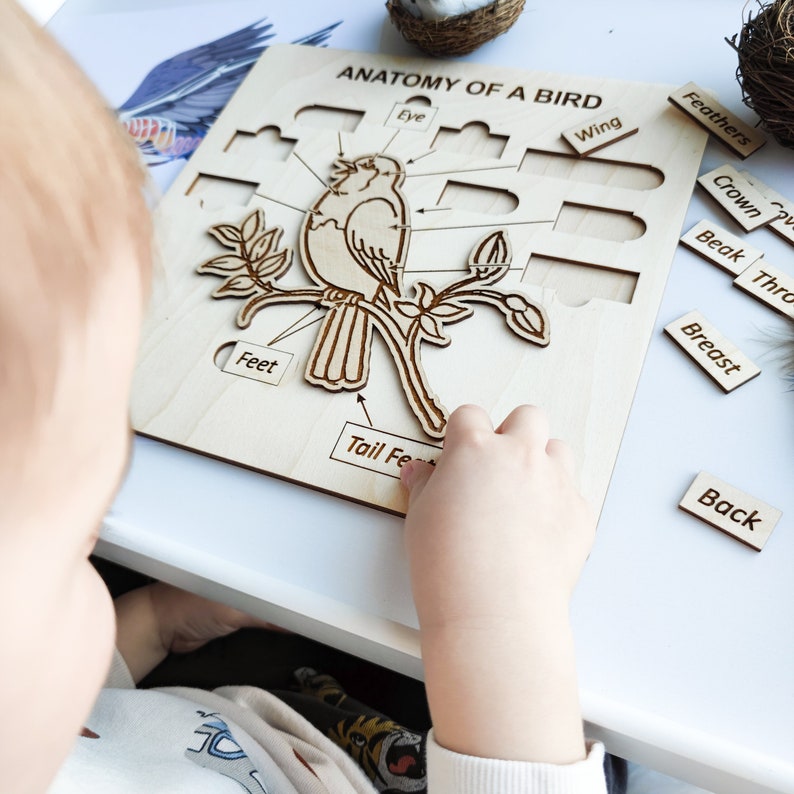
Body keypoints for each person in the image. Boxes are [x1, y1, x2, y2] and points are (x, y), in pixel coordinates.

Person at [0, 1, 612, 791]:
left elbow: (53, 709)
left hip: (221, 713)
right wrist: (500, 615)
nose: (99, 571)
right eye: (78, 556)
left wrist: (149, 622)